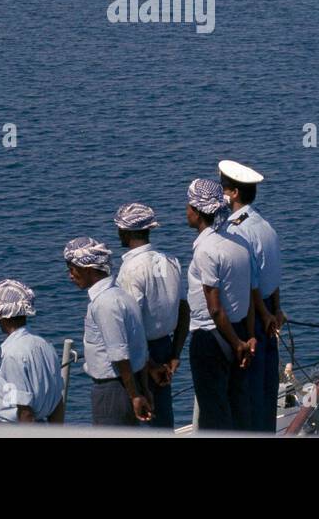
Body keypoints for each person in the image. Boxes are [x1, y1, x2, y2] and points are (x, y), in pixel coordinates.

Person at [185, 178, 259, 431]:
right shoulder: (240, 244)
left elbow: (214, 308)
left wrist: (236, 343)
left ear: (196, 212)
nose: (186, 211)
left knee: (213, 413)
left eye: (189, 206)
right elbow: (248, 295)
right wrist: (248, 338)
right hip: (238, 331)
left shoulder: (205, 249)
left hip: (211, 339)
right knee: (238, 405)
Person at [220, 160, 284, 433]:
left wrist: (264, 314)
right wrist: (276, 311)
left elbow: (250, 282)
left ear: (233, 193)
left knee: (247, 389)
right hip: (270, 311)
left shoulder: (236, 229)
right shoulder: (265, 226)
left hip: (252, 314)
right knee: (267, 388)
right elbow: (273, 274)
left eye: (223, 188)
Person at [114, 202, 188, 430]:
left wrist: (149, 364)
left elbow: (132, 323)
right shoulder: (171, 261)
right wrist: (175, 353)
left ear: (125, 233)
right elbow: (184, 310)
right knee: (164, 418)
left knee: (143, 416)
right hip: (167, 347)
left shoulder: (130, 269)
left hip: (143, 354)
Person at [63, 237, 152, 425]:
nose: (70, 275)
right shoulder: (121, 295)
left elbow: (119, 355)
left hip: (112, 390)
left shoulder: (104, 303)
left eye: (72, 269)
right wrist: (143, 388)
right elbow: (139, 348)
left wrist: (135, 396)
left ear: (87, 269)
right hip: (131, 382)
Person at [0, 279, 64, 424]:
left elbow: (25, 412)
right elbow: (57, 402)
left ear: (1, 315)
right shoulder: (46, 345)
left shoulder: (13, 354)